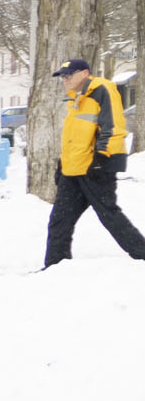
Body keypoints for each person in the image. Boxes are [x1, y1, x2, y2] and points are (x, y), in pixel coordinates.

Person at [43, 56, 144, 265]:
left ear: (85, 73)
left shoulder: (102, 90)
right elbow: (74, 137)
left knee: (110, 217)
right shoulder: (76, 98)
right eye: (62, 76)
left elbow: (113, 127)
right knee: (59, 220)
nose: (65, 79)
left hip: (95, 168)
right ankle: (54, 266)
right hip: (72, 171)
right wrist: (62, 165)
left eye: (68, 75)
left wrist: (101, 159)